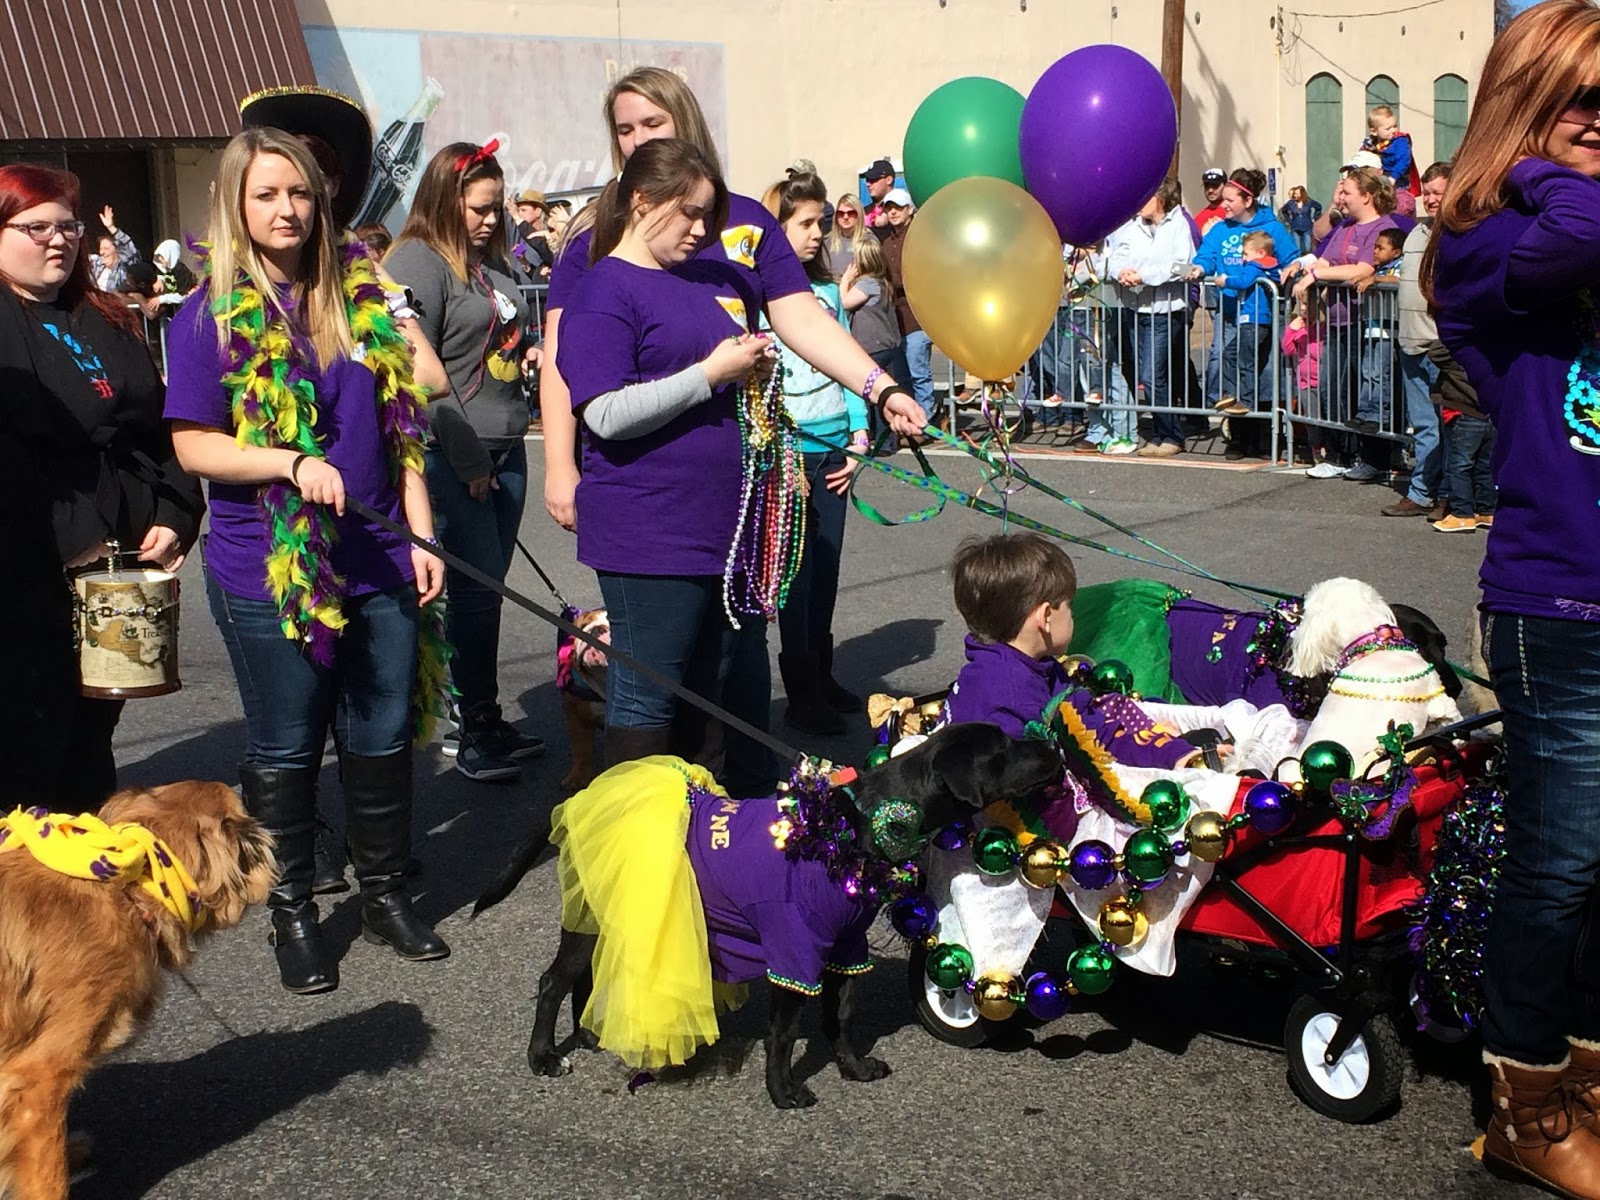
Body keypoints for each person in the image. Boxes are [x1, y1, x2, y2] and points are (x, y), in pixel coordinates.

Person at [538, 67, 923, 792]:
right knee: (655, 675)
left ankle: (738, 824)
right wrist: (561, 464)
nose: (636, 140)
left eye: (652, 124)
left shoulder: (741, 220)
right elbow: (566, 353)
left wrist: (878, 386)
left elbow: (800, 315)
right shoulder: (598, 235)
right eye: (624, 129)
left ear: (686, 121)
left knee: (738, 664)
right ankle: (641, 835)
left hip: (741, 493)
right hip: (650, 493)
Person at [166, 127, 451, 994]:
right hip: (269, 569)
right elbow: (195, 448)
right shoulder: (207, 316)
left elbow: (412, 407)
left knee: (381, 733)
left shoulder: (362, 297)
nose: (286, 210)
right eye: (266, 195)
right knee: (287, 746)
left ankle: (384, 892)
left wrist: (422, 524)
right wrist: (288, 463)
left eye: (298, 193)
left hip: (380, 554)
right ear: (235, 205)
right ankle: (290, 910)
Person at [1424, 4, 1600, 1191]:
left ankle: (1585, 1074)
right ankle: (1525, 1109)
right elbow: (1582, 222)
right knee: (1561, 862)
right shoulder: (1493, 239)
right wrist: (1536, 162)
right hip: (1559, 606)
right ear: (1527, 98)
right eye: (1579, 94)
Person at [0, 162, 203, 809]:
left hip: (115, 576)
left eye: (68, 226)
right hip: (25, 578)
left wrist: (174, 508)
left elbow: (156, 429)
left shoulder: (106, 316)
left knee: (91, 739)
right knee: (28, 752)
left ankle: (77, 888)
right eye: (36, 227)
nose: (58, 240)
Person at [386, 141, 545, 782]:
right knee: (476, 594)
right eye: (478, 209)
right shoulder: (418, 260)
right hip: (455, 451)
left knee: (487, 595)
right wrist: (467, 454)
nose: (490, 219)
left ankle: (481, 713)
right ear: (445, 202)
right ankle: (470, 728)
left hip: (507, 447)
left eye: (496, 208)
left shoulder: (489, 262)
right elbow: (411, 370)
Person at [759, 171, 869, 737]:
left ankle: (822, 676)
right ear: (773, 229)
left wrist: (858, 439)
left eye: (820, 223)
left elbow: (848, 367)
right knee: (795, 578)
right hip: (789, 454)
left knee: (825, 570)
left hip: (833, 452)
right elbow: (759, 388)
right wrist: (780, 457)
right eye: (804, 223)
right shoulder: (760, 300)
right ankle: (800, 691)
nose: (816, 234)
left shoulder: (826, 296)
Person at [943, 533, 1204, 769]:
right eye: (1068, 605)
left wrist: (1154, 731)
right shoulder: (1014, 699)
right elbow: (1091, 738)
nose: (1073, 613)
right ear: (1045, 616)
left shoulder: (1025, 667)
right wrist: (1170, 755)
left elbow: (1091, 712)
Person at [1284, 166, 1400, 480]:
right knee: (1334, 389)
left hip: (1363, 321)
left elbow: (1361, 268)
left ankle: (1373, 457)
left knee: (1366, 390)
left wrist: (1317, 276)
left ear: (1368, 195)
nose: (1343, 197)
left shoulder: (1381, 228)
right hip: (1334, 321)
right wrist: (1308, 273)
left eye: (1348, 192)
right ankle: (1338, 454)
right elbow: (1323, 259)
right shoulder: (1345, 226)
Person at [1191, 168, 1297, 459]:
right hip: (1229, 313)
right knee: (1234, 368)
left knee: (1265, 372)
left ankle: (1265, 437)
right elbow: (1207, 255)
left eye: (1229, 199)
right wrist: (1200, 268)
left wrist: (1293, 269)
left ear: (1247, 200)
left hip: (1264, 313)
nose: (1223, 205)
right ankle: (1238, 437)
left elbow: (1291, 259)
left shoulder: (1272, 228)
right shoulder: (1221, 229)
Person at [1106, 177, 1197, 458]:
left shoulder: (1179, 224)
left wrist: (1145, 275)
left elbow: (1183, 265)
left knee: (1152, 375)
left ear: (1161, 199)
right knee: (1149, 374)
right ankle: (1159, 433)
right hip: (1137, 307)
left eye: (1146, 197)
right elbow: (1117, 255)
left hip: (1166, 310)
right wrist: (1121, 272)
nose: (1139, 203)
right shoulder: (1134, 226)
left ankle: (1172, 434)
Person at [1383, 162, 1451, 519]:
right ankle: (1422, 492)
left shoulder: (1457, 233)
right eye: (1428, 192)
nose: (1432, 199)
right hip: (1409, 341)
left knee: (1451, 427)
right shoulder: (1415, 233)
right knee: (1425, 424)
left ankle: (1448, 495)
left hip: (1440, 345)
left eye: (1439, 192)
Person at [876, 187, 936, 416]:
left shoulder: (920, 237)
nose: (893, 212)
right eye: (889, 208)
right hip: (894, 320)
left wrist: (893, 283)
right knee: (901, 375)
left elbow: (923, 275)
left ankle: (926, 420)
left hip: (917, 317)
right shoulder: (886, 243)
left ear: (910, 209)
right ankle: (910, 417)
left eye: (898, 207)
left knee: (919, 373)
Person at [1427, 346, 1495, 534]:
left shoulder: (1461, 353)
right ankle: (1487, 510)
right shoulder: (1493, 350)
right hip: (1488, 414)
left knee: (1459, 466)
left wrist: (1458, 330)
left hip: (1465, 413)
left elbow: (1436, 351)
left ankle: (1462, 513)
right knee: (1484, 465)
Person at [1348, 227, 1405, 437]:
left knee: (1380, 374)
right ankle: (1364, 411)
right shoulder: (1378, 268)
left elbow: (1399, 280)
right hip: (1371, 328)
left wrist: (1376, 280)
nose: (1375, 251)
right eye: (1375, 247)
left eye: (1381, 248)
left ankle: (1379, 414)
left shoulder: (1398, 266)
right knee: (1368, 373)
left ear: (1396, 252)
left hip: (1388, 331)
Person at [1360, 104, 1418, 196]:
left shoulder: (1400, 141)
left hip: (1398, 181)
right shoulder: (1370, 143)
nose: (1393, 130)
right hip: (1377, 179)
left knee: (1398, 202)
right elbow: (1362, 158)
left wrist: (1393, 177)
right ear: (1374, 131)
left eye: (1395, 126)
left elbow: (1404, 161)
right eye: (1388, 128)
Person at [89, 206, 140, 293]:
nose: (102, 252)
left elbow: (129, 250)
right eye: (101, 249)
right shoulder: (98, 263)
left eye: (106, 248)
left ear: (117, 250)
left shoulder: (123, 269)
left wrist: (111, 228)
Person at [511, 188, 555, 280]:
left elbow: (543, 249)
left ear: (538, 211)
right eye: (518, 211)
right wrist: (523, 261)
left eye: (523, 210)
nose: (520, 214)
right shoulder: (521, 235)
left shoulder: (551, 236)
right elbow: (536, 273)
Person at [825, 192, 871, 280]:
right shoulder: (827, 242)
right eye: (841, 213)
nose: (845, 217)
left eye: (851, 213)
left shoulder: (869, 241)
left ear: (859, 214)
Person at [1279, 185, 1323, 255]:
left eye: (1297, 193)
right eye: (1294, 193)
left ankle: (1307, 260)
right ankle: (1299, 261)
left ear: (1301, 194)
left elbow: (1318, 207)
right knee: (1297, 248)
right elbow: (1284, 210)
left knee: (1307, 247)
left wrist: (1315, 218)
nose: (1295, 195)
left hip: (1307, 227)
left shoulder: (1308, 202)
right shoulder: (1291, 203)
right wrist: (1289, 220)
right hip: (1295, 227)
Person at [862, 158, 895, 229]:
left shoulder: (900, 210)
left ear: (888, 180)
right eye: (867, 180)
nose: (868, 184)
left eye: (873, 179)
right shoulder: (863, 211)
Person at [1194, 167, 1229, 235]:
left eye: (1215, 185)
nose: (1210, 190)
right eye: (1207, 186)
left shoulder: (1233, 212)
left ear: (1225, 186)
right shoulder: (1198, 219)